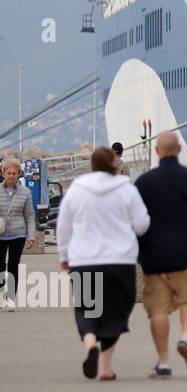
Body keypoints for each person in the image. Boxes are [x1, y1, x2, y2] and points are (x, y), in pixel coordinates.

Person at [55, 147, 150, 380]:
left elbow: (63, 227)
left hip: (84, 260)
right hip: (120, 261)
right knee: (116, 311)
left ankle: (89, 345)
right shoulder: (126, 189)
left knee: (87, 307)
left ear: (92, 164)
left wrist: (64, 256)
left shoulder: (77, 190)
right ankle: (106, 369)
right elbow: (142, 225)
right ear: (114, 163)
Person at [134, 130, 187, 378]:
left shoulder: (144, 182)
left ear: (157, 151)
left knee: (158, 310)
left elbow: (134, 220)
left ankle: (163, 363)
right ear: (180, 150)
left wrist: (139, 252)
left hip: (154, 256)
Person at [1, 157, 37, 311]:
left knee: (14, 265)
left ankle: (11, 298)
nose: (11, 176)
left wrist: (31, 236)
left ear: (18, 175)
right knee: (0, 265)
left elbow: (30, 216)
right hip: (0, 234)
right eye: (8, 173)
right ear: (3, 174)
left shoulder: (26, 193)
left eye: (14, 173)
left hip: (18, 234)